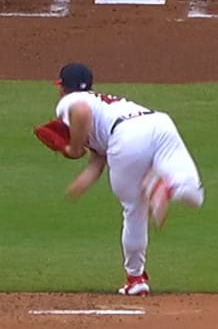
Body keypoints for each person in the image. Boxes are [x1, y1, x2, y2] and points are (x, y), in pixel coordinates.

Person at [52, 61, 206, 296]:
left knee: (135, 209)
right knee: (192, 194)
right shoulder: (102, 105)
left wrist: (72, 149)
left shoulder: (69, 102)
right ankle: (163, 187)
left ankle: (136, 279)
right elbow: (98, 159)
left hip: (125, 136)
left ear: (62, 87)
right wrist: (80, 184)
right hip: (159, 124)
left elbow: (80, 112)